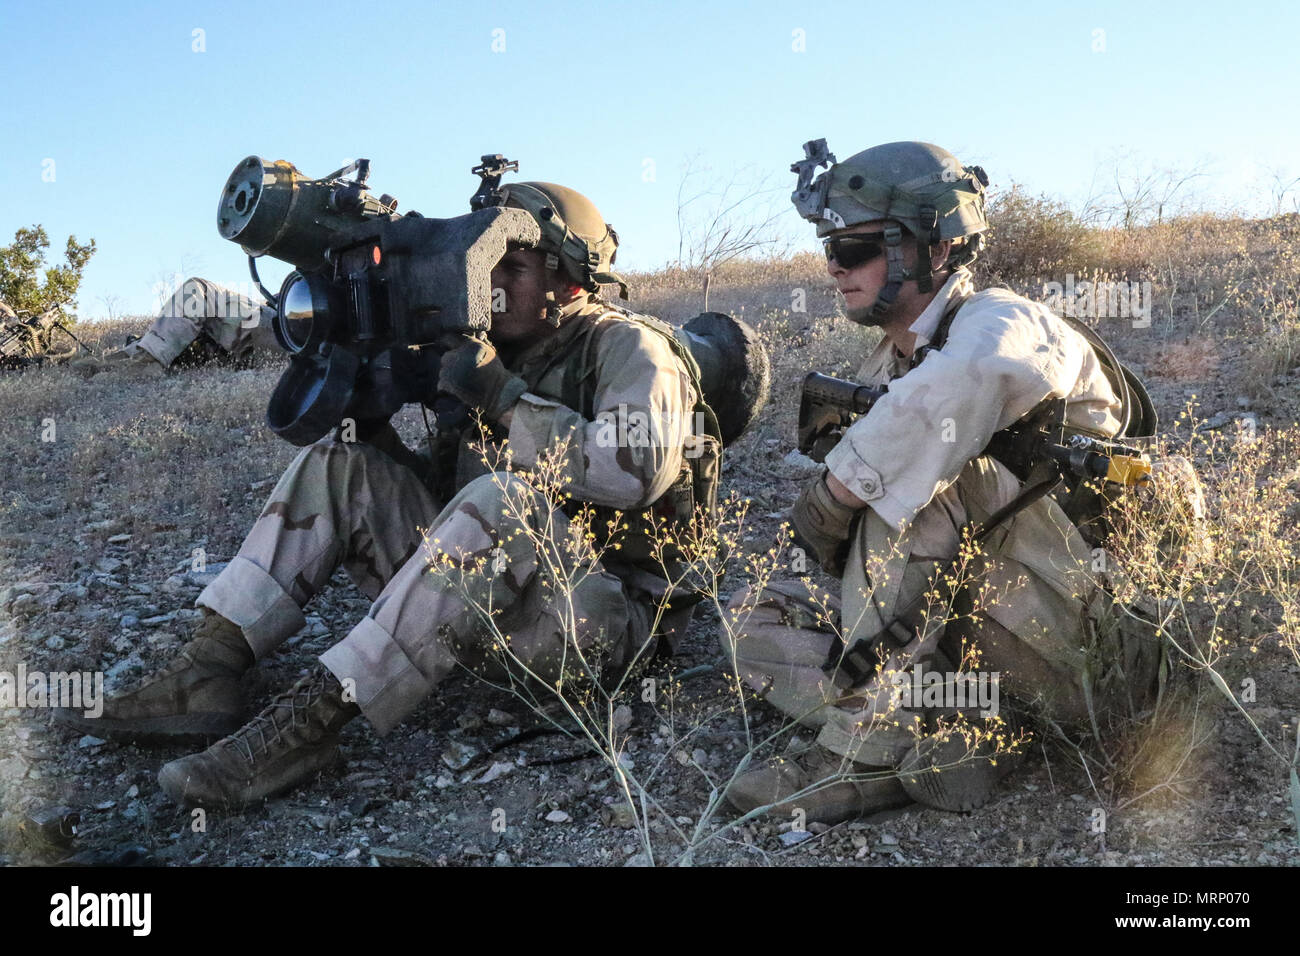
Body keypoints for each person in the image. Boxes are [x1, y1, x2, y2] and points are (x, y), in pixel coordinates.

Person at [59, 177, 719, 810]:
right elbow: (446, 508)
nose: (487, 282)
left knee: (502, 498)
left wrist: (504, 400)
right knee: (341, 462)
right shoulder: (491, 347)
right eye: (480, 261)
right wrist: (375, 426)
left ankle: (309, 725)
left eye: (511, 267)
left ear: (568, 278)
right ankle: (207, 668)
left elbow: (636, 471)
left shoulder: (631, 346)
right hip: (500, 614)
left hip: (605, 632)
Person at [722, 140, 1163, 822]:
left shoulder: (1005, 320)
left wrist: (837, 489)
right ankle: (964, 729)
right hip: (984, 635)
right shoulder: (893, 363)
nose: (836, 267)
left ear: (931, 248)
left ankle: (862, 756)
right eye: (830, 248)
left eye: (857, 248)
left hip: (1085, 646)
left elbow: (968, 385)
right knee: (754, 622)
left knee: (929, 470)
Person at [73, 277, 281, 374]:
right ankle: (114, 364)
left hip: (289, 334)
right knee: (202, 317)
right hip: (282, 328)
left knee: (198, 291)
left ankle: (146, 362)